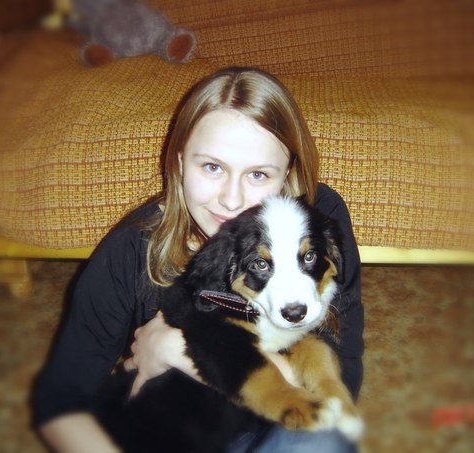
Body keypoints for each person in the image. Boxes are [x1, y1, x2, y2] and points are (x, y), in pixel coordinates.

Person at [32, 66, 364, 452]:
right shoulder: (131, 248)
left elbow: (343, 378)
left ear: (287, 173)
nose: (232, 200)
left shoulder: (318, 220)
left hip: (279, 422)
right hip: (176, 432)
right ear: (178, 163)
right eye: (211, 167)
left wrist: (177, 350)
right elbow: (61, 400)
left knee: (322, 441)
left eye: (258, 174)